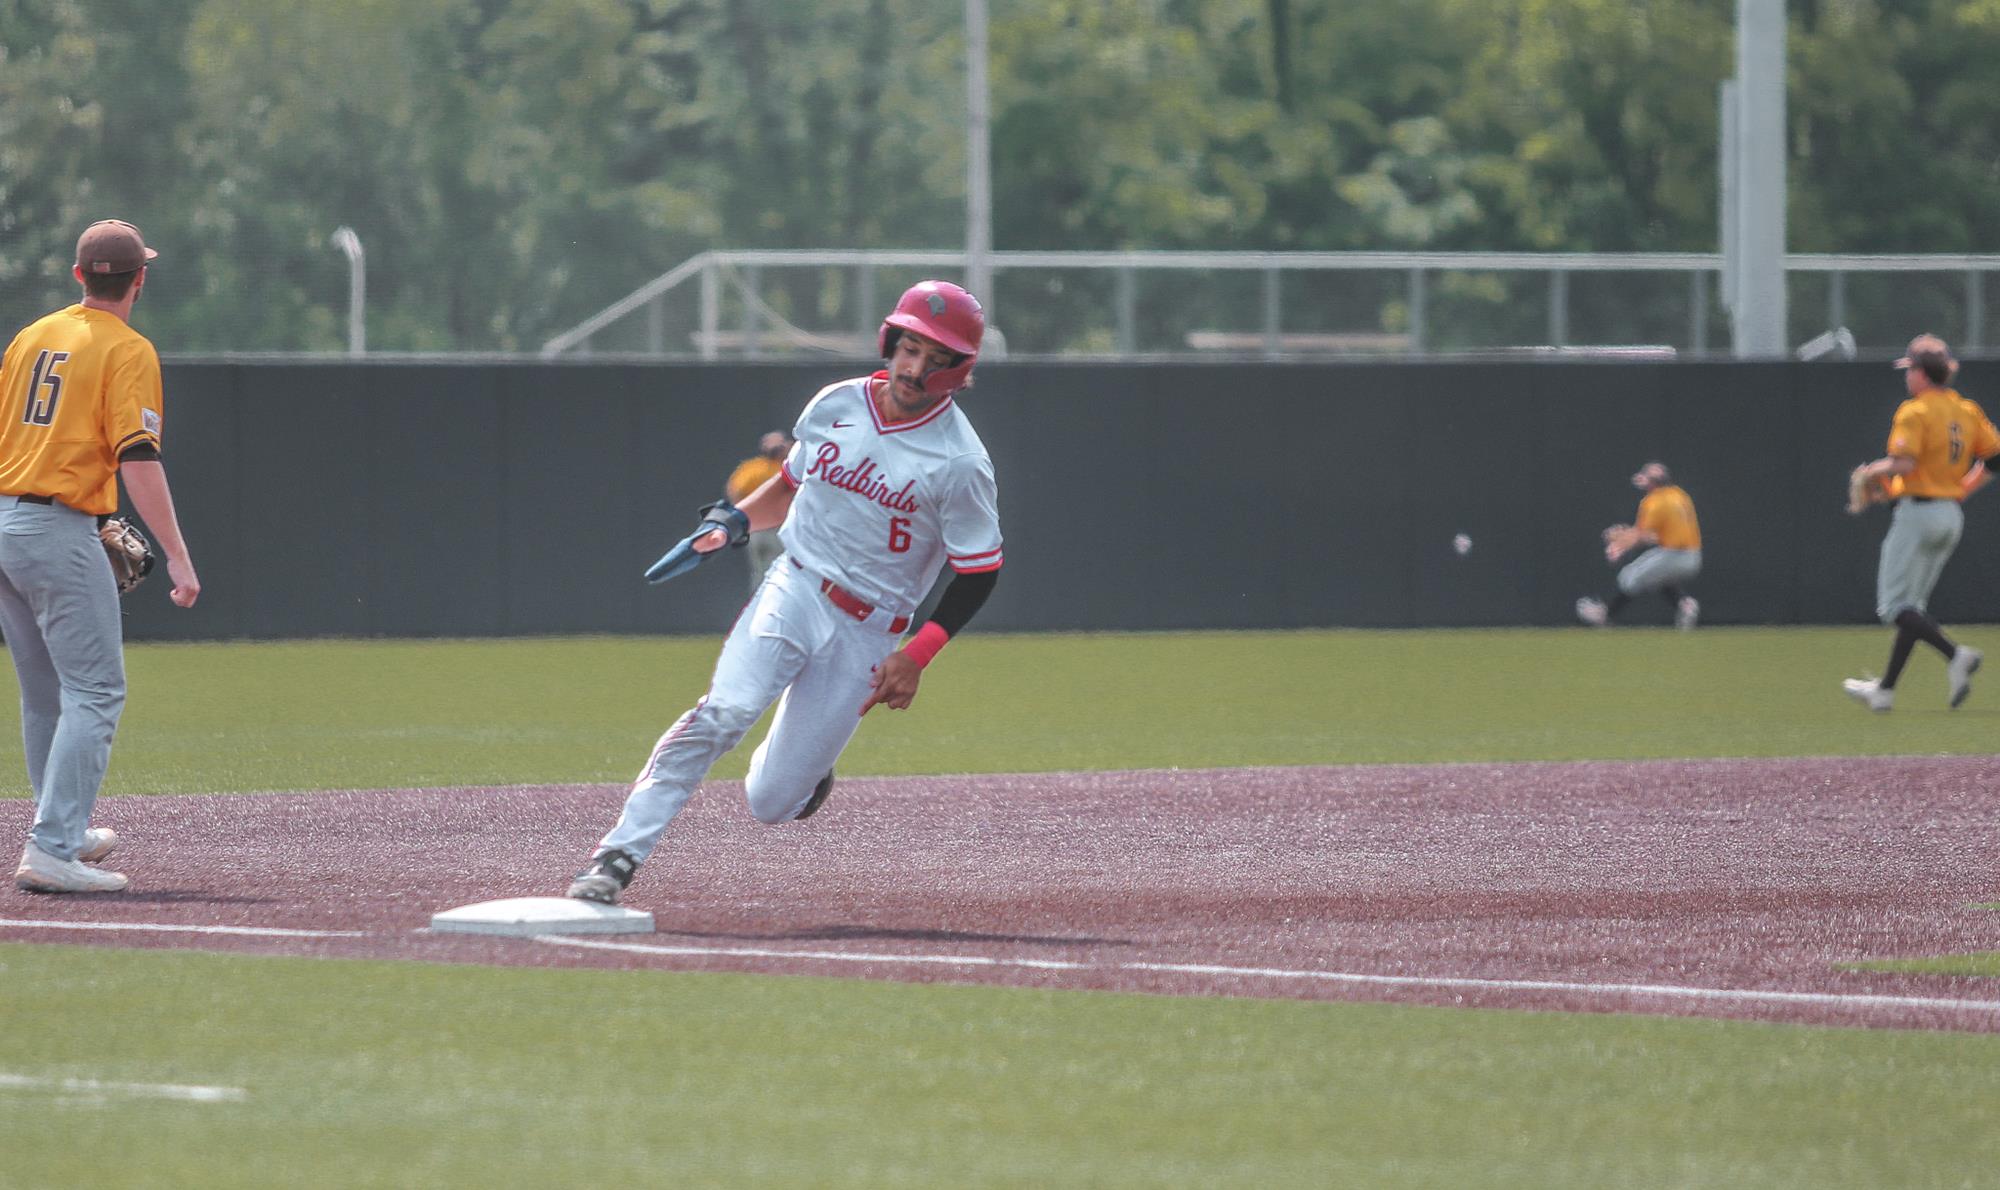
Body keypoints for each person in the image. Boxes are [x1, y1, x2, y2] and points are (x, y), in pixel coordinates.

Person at [567, 280, 1002, 905]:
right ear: (890, 342)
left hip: (870, 631)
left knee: (769, 802)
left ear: (960, 372)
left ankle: (805, 775)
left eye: (936, 358)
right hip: (796, 585)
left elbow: (980, 570)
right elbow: (791, 484)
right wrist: (733, 521)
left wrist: (918, 652)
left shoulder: (960, 463)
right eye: (909, 348)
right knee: (721, 715)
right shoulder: (836, 404)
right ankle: (616, 857)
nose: (915, 368)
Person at [2, 219, 201, 894]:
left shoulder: (32, 336)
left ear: (79, 275)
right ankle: (53, 846)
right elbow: (138, 457)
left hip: (5, 521)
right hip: (55, 528)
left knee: (46, 692)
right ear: (139, 279)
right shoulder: (128, 349)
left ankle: (65, 824)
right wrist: (177, 555)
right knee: (97, 690)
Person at [1840, 334, 1999, 712]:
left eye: (1909, 369)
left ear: (1922, 373)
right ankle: (1885, 691)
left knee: (1893, 608)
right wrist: (1963, 488)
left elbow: (1905, 464)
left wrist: (1871, 471)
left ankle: (1955, 654)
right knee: (1913, 609)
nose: (1906, 377)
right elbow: (1994, 458)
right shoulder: (1966, 409)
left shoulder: (1915, 411)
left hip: (1918, 513)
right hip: (1949, 514)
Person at [1575, 461, 1702, 630]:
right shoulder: (1679, 494)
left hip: (1674, 555)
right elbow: (1655, 534)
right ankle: (1684, 604)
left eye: (1647, 476)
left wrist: (1618, 543)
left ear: (1652, 482)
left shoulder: (1654, 501)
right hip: (1693, 556)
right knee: (1657, 577)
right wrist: (1627, 536)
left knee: (1629, 576)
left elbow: (1640, 535)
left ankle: (1605, 616)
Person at [725, 430, 792, 594]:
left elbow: (735, 492)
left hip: (759, 528)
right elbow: (735, 492)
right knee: (780, 571)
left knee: (764, 574)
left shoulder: (752, 468)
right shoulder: (782, 468)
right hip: (774, 529)